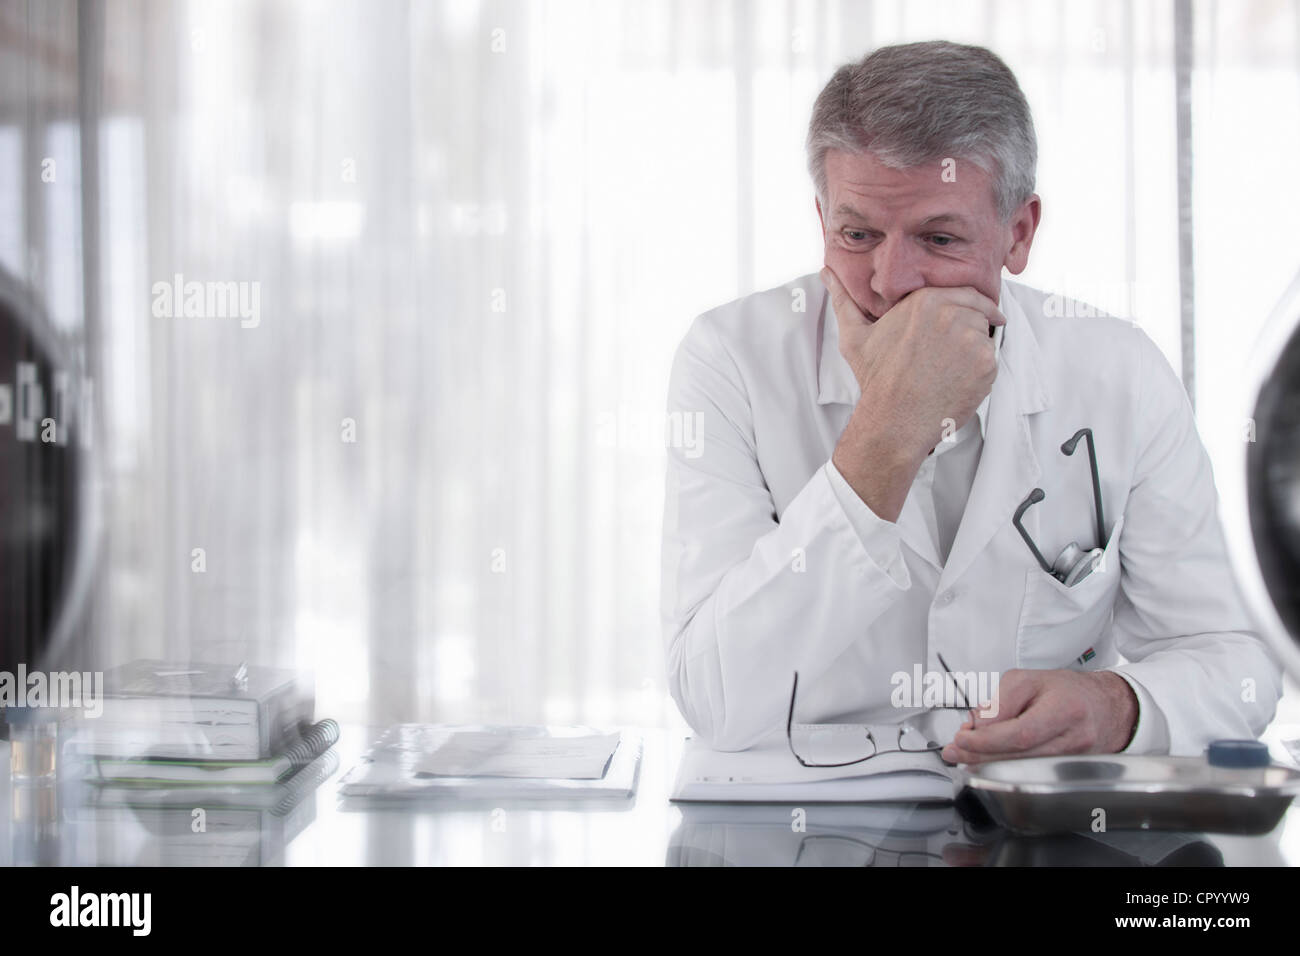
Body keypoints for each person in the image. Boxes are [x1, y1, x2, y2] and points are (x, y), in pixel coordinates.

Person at [660, 40, 1281, 761]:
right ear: (822, 218)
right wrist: (887, 433)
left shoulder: (1119, 371)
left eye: (939, 237)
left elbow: (1236, 661)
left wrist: (1121, 707)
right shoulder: (729, 360)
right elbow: (712, 696)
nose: (891, 280)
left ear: (1019, 233)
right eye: (857, 234)